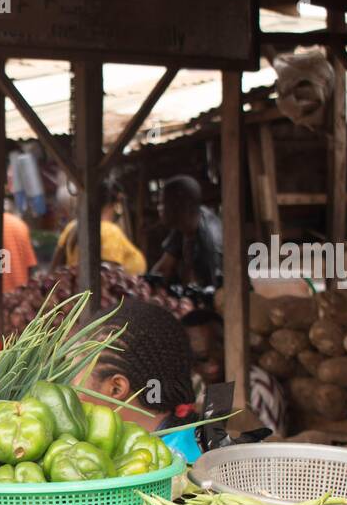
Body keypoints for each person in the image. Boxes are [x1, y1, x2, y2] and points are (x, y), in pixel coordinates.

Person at [85, 299, 202, 463]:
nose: (66, 387)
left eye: (73, 376)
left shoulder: (173, 470)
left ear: (116, 388)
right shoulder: (195, 439)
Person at [180, 308, 288, 437]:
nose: (212, 360)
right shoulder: (193, 386)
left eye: (217, 347)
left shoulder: (258, 387)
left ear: (229, 342)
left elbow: (275, 449)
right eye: (201, 357)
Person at [148, 175, 223, 294]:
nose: (159, 208)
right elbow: (163, 268)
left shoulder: (210, 245)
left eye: (162, 203)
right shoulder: (185, 224)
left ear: (180, 206)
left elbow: (215, 296)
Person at [55, 177, 146, 275]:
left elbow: (55, 268)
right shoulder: (110, 232)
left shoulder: (71, 226)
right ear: (116, 206)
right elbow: (107, 278)